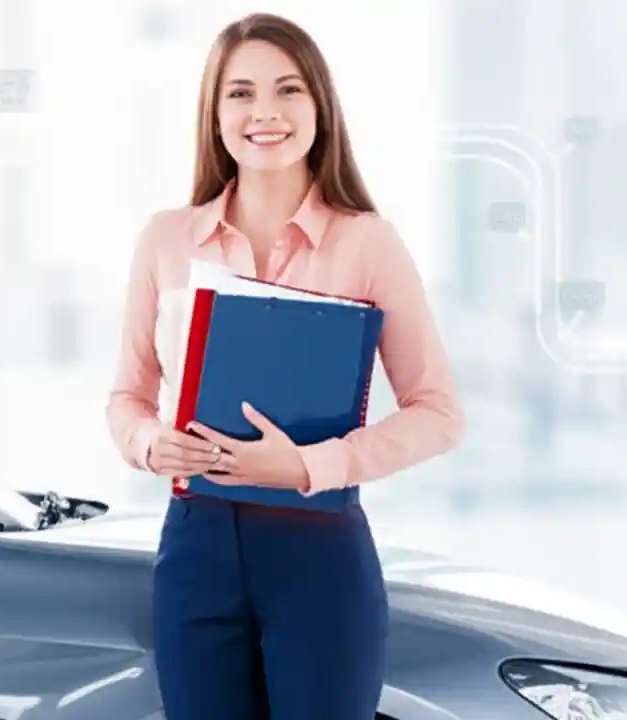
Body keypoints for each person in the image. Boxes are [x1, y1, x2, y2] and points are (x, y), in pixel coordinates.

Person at [106, 12, 463, 720]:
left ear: (319, 107)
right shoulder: (166, 240)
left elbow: (439, 414)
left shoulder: (368, 244)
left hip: (319, 553)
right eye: (239, 93)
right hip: (196, 545)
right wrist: (151, 443)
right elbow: (126, 396)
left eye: (287, 90)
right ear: (213, 115)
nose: (263, 112)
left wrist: (307, 467)